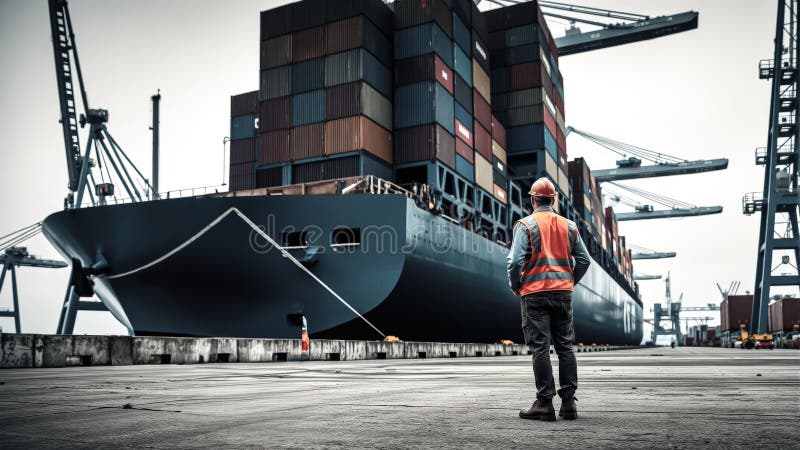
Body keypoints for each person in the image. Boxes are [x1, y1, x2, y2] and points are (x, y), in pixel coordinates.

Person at [506, 178, 591, 421]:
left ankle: (544, 403)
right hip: (563, 295)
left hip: (534, 295)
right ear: (553, 200)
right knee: (565, 346)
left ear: (533, 199)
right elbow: (584, 261)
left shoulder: (525, 225)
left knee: (540, 348)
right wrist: (568, 282)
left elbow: (514, 261)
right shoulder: (569, 226)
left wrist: (516, 286)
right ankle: (568, 403)